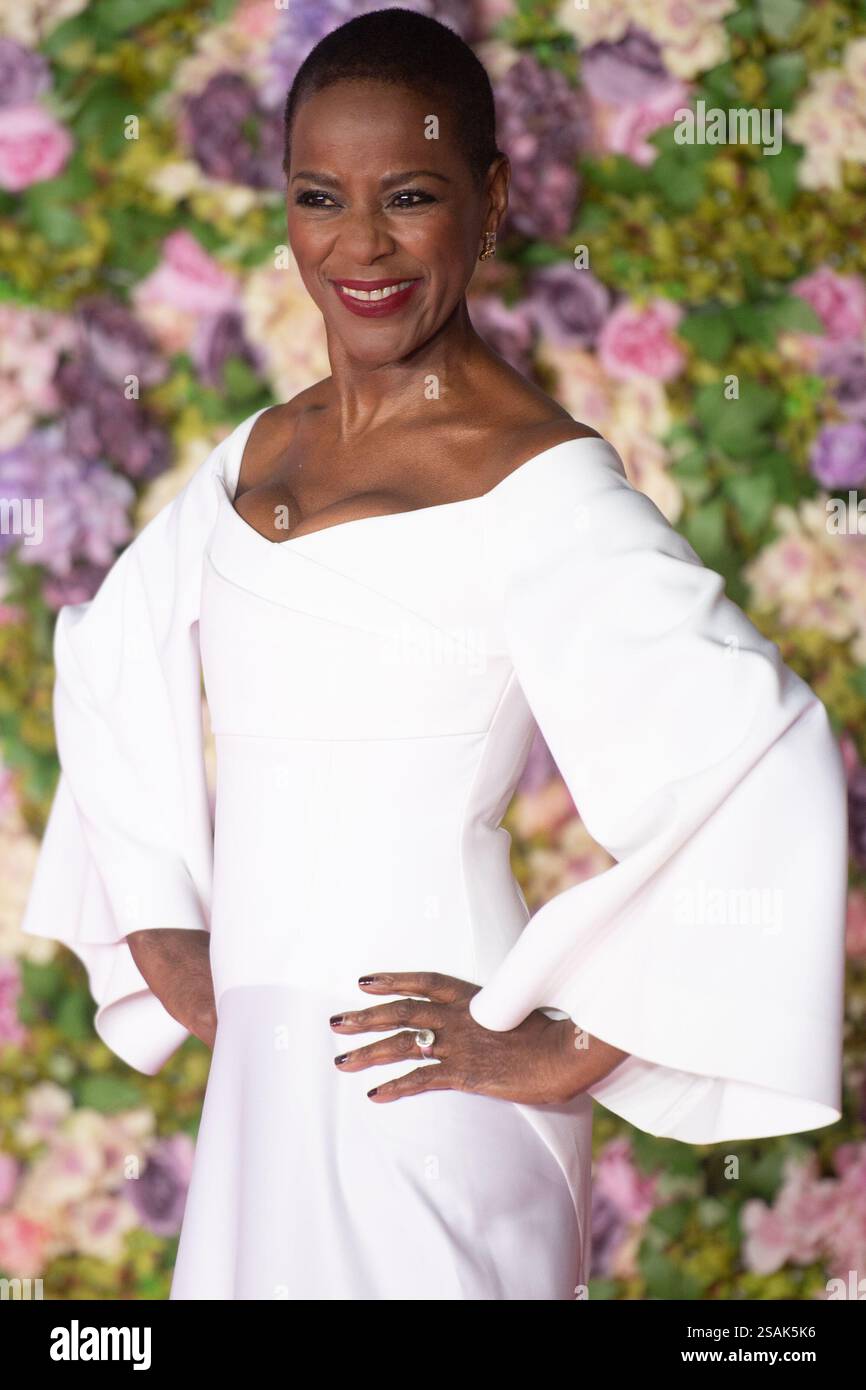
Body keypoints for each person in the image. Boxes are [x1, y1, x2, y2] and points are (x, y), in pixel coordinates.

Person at [21, 9, 847, 1301]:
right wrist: (164, 921)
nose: (360, 244)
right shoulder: (253, 455)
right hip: (263, 1070)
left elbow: (764, 749)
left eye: (409, 196)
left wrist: (575, 1046)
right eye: (318, 196)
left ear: (491, 198)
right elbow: (110, 654)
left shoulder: (538, 481)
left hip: (429, 1081)